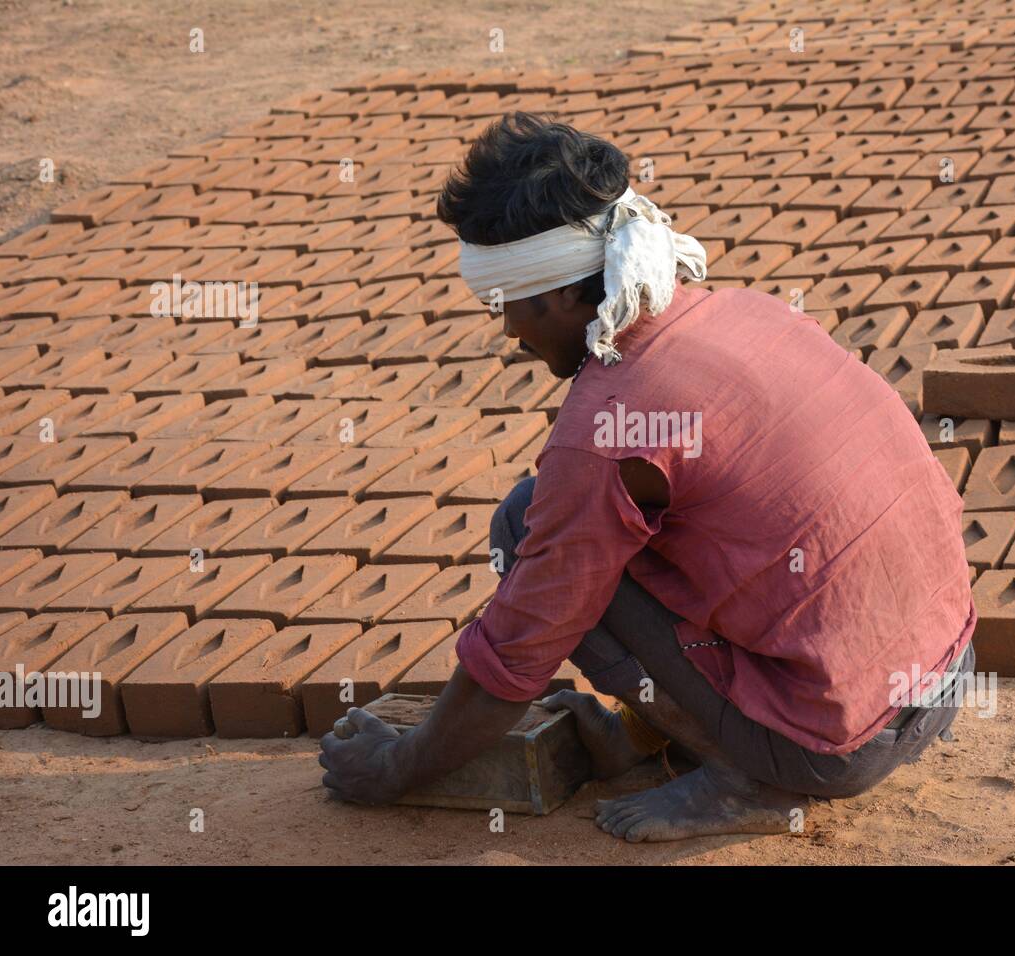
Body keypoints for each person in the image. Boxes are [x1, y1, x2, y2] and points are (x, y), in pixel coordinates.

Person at [319, 112, 976, 843]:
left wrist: (396, 768)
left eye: (507, 308)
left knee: (527, 528)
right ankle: (649, 733)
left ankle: (746, 780)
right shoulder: (745, 311)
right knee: (606, 526)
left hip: (834, 746)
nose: (509, 335)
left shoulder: (608, 425)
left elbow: (521, 645)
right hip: (949, 671)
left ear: (565, 293)